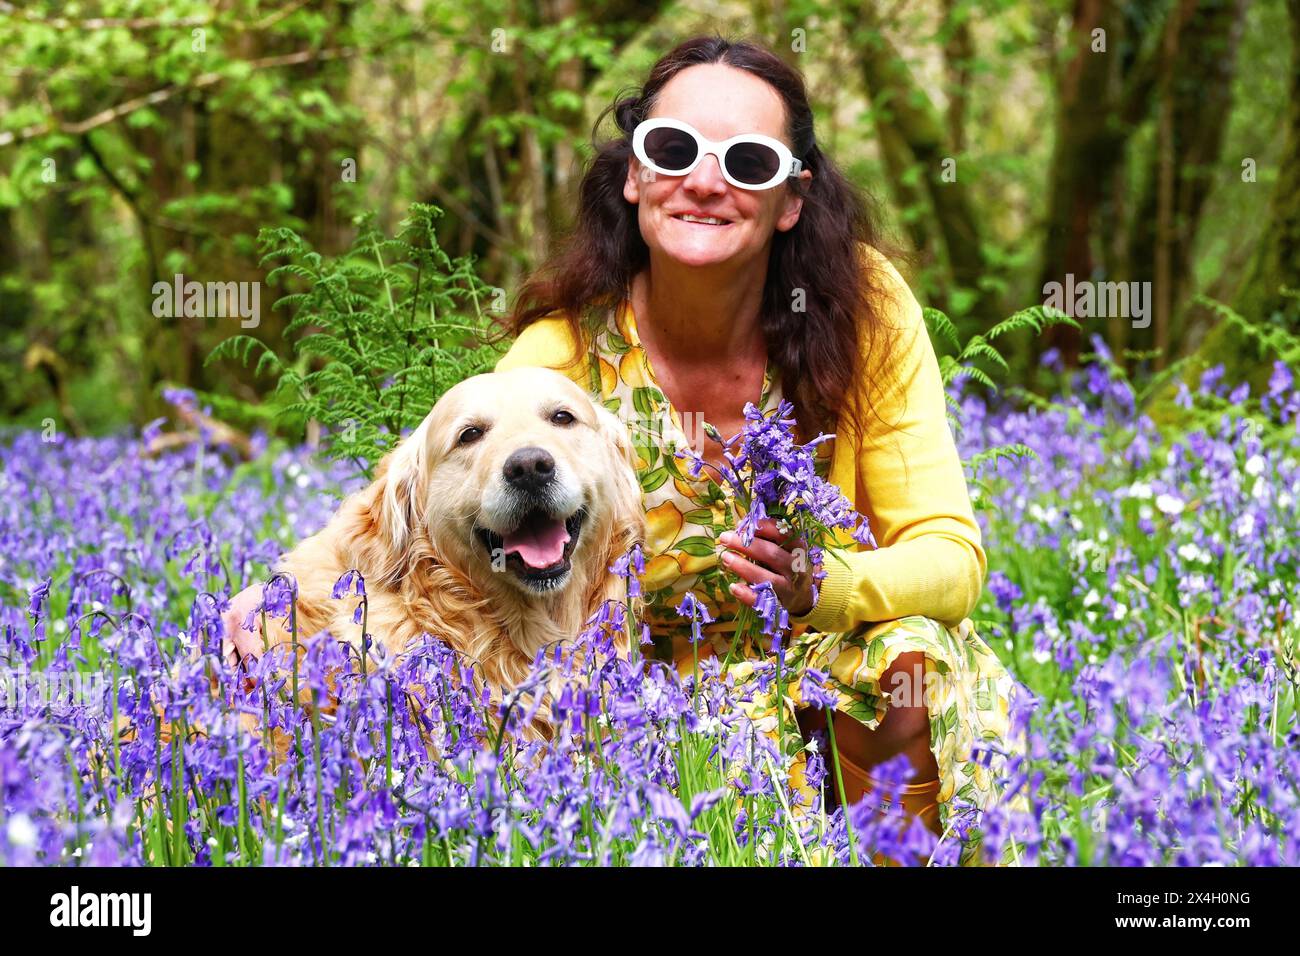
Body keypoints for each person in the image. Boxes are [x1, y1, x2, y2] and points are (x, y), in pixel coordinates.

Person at [492, 35, 1020, 855]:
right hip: (632, 712)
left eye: (746, 161)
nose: (705, 181)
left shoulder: (863, 311)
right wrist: (278, 611)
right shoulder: (556, 364)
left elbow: (952, 557)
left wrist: (827, 587)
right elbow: (442, 528)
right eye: (672, 150)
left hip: (819, 674)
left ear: (791, 198)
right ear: (634, 174)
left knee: (911, 654)